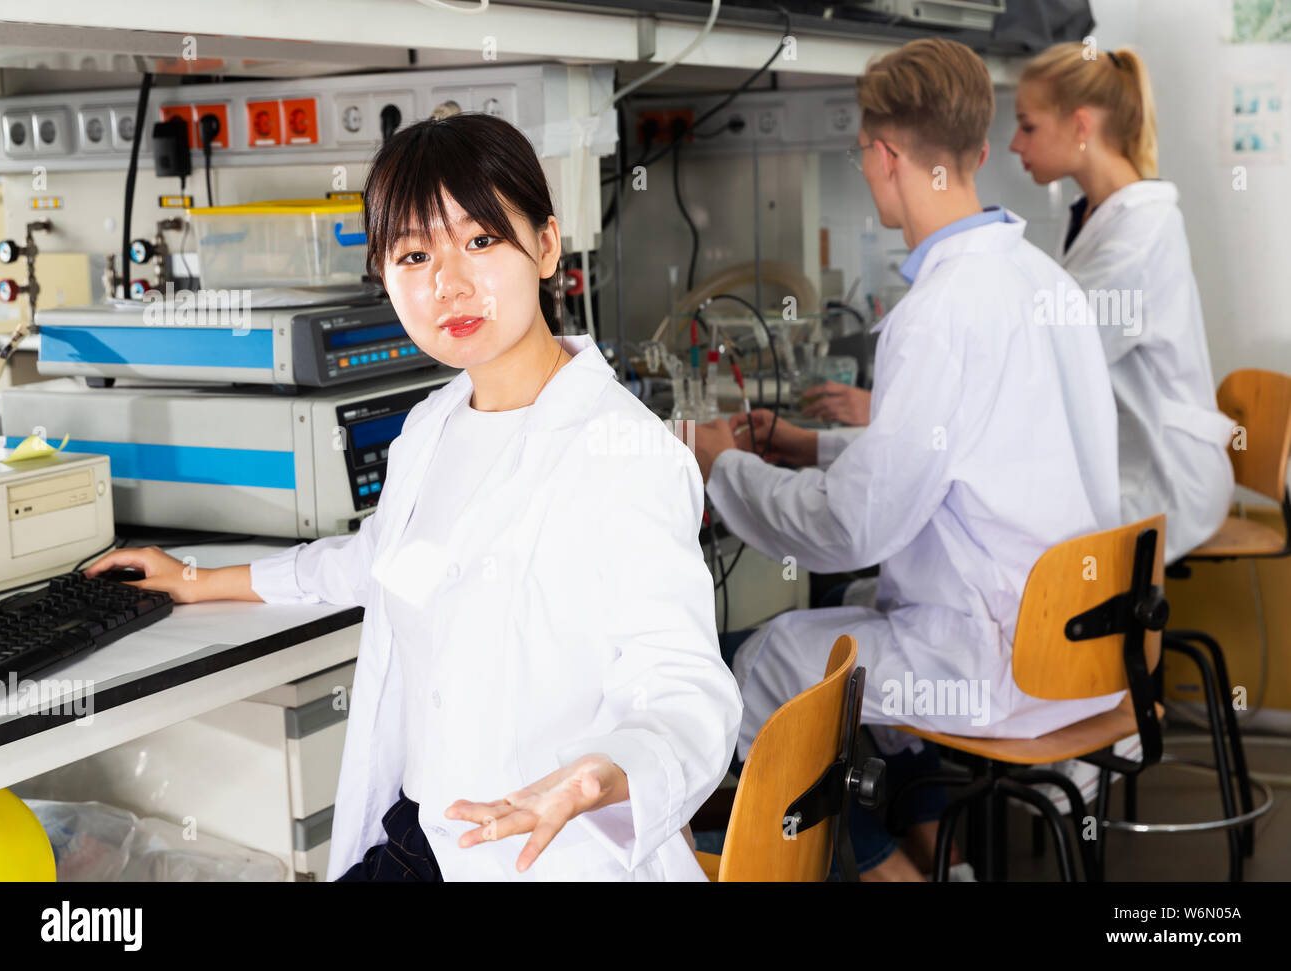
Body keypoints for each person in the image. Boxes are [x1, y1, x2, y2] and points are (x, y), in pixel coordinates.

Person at [83, 112, 741, 882]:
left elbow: (685, 684)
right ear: (385, 275)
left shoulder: (620, 452)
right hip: (426, 835)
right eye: (415, 253)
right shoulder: (431, 428)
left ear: (548, 246)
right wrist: (196, 580)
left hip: (557, 854)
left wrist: (598, 774)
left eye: (482, 240)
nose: (448, 282)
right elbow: (379, 561)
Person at [689, 37, 1122, 880]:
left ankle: (895, 874)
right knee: (860, 618)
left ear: (883, 156)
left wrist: (721, 466)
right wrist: (814, 445)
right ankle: (942, 854)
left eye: (863, 155)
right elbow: (978, 452)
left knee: (766, 665)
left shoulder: (940, 310)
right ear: (979, 150)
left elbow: (854, 525)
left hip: (1001, 660)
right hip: (1081, 645)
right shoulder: (1042, 280)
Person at [1010, 43, 1234, 563]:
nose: (1014, 145)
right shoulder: (1099, 215)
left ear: (1081, 126)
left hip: (1164, 477)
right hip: (1132, 461)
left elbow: (1053, 356)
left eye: (1028, 125)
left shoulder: (1138, 235)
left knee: (1016, 551)